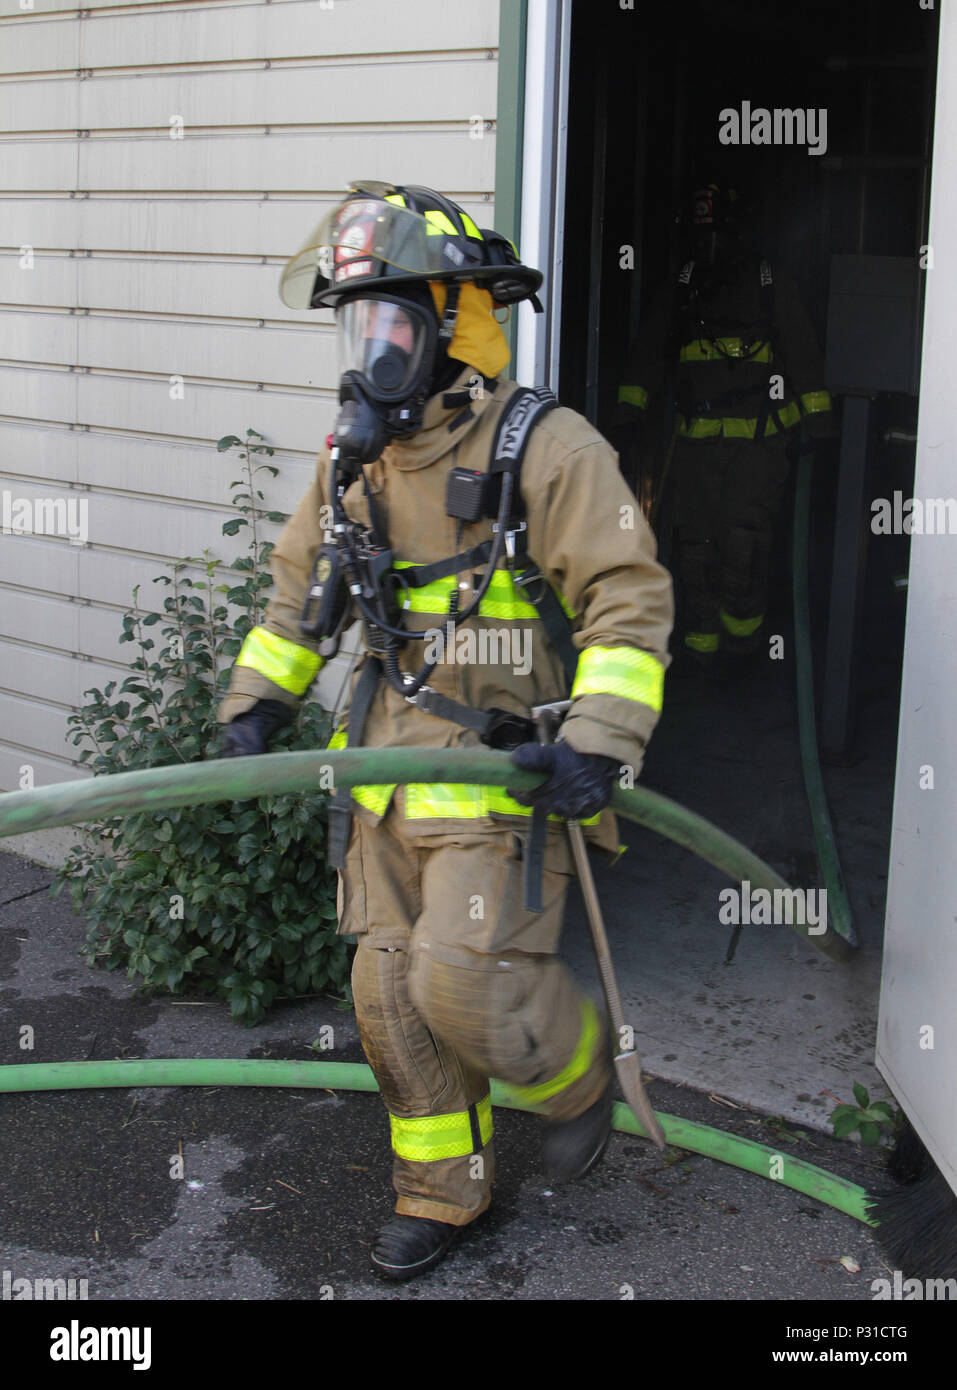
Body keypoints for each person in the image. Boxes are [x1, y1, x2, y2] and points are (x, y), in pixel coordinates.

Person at [217, 180, 674, 1280]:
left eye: (391, 323)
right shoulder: (354, 459)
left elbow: (628, 596)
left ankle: (575, 1080)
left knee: (456, 983)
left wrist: (601, 740)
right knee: (385, 998)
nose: (370, 349)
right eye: (356, 322)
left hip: (495, 776)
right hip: (383, 775)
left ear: (455, 325)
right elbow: (299, 595)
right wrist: (255, 703)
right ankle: (441, 1191)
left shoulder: (546, 448)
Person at [618, 182, 831, 674]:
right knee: (695, 547)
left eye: (717, 232)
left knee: (744, 546)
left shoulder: (768, 281)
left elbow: (803, 355)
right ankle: (701, 655)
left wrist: (822, 428)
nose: (710, 245)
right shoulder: (686, 282)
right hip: (696, 446)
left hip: (759, 448)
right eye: (702, 233)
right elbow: (650, 352)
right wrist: (627, 419)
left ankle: (743, 653)